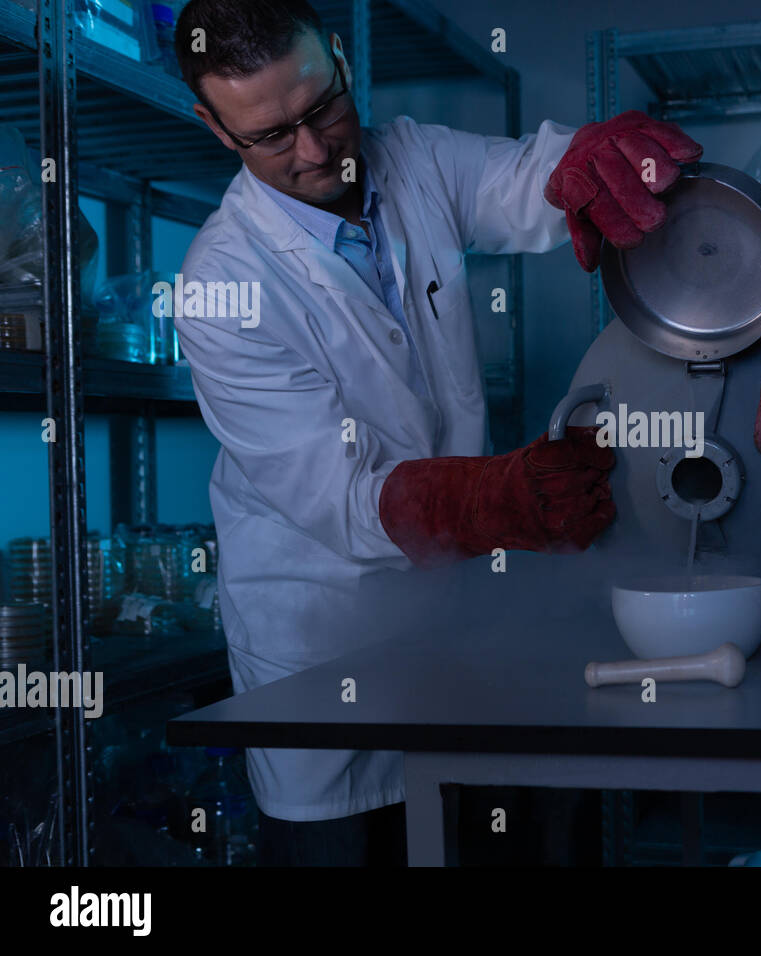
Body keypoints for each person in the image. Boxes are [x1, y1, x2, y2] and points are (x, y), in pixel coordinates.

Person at [171, 0, 705, 865]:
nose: (315, 153)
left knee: (474, 830)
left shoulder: (412, 157)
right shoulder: (223, 288)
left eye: (322, 109)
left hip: (455, 619)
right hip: (319, 635)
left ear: (342, 61)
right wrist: (497, 498)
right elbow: (341, 502)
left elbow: (529, 182)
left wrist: (585, 161)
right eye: (271, 137)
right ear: (214, 126)